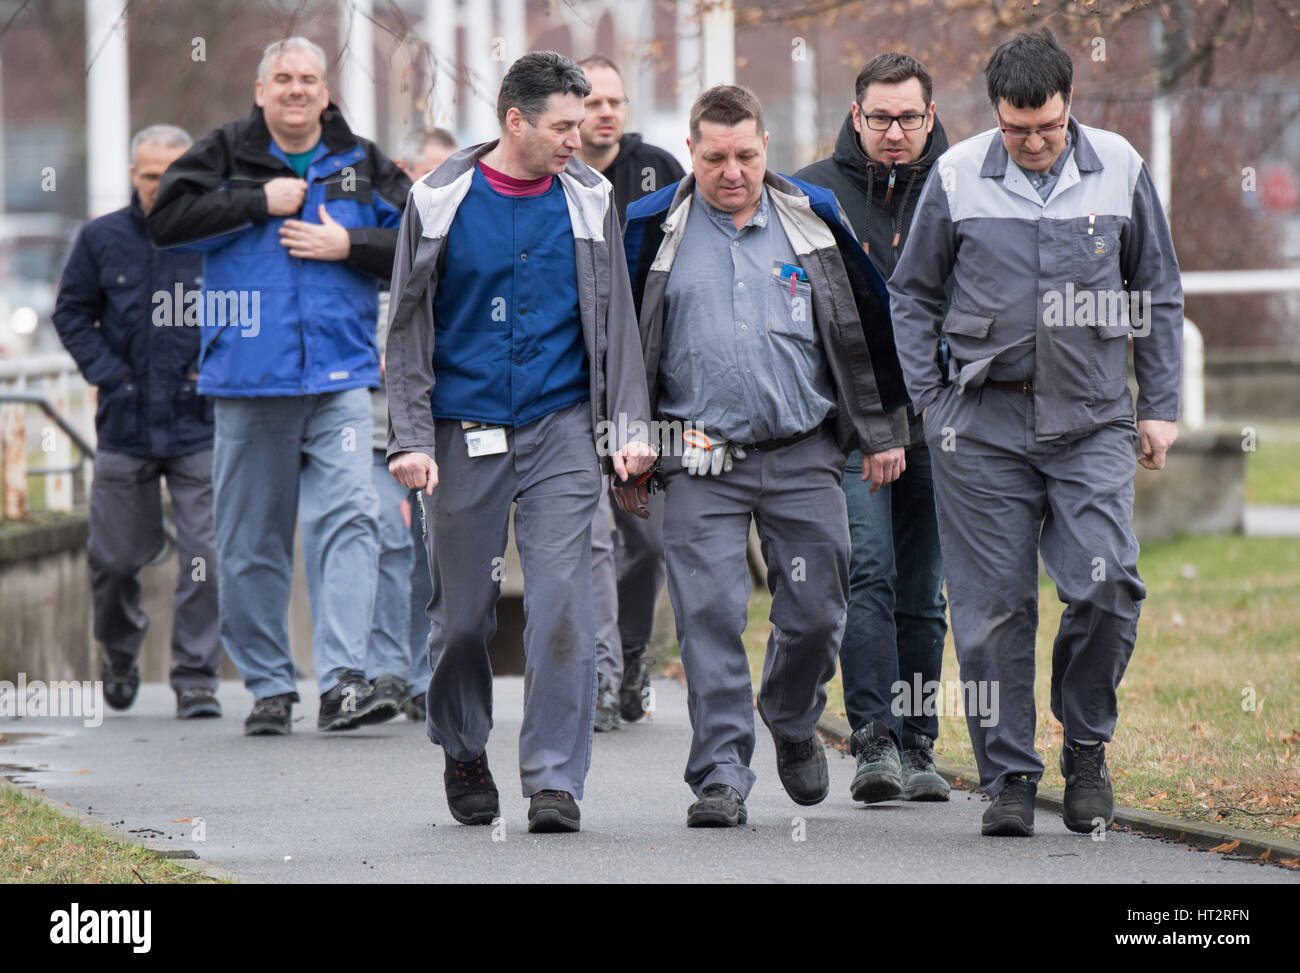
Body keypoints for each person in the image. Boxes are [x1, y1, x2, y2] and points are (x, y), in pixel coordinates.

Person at [889, 29, 1182, 837]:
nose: (1032, 143)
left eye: (1045, 127)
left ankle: (1085, 744)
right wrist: (929, 401)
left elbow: (1154, 285)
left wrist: (1158, 404)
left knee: (1107, 583)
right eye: (1016, 129)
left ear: (1070, 105)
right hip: (979, 425)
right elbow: (910, 295)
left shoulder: (1119, 166)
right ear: (995, 114)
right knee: (990, 610)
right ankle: (1009, 775)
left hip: (1090, 418)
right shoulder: (955, 175)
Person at [618, 85, 911, 828]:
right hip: (697, 457)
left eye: (745, 155)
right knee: (710, 611)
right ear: (691, 152)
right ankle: (720, 771)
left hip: (803, 450)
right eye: (715, 157)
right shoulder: (653, 227)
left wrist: (882, 431)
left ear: (765, 147)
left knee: (816, 611)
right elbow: (617, 345)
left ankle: (789, 710)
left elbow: (868, 319)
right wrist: (626, 443)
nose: (731, 171)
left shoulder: (811, 217)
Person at [384, 52, 654, 834]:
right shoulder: (438, 201)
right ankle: (465, 747)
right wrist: (409, 434)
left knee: (563, 604)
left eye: (584, 123)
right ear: (515, 121)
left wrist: (630, 429)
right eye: (564, 126)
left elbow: (616, 324)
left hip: (561, 424)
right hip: (463, 430)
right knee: (463, 614)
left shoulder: (590, 196)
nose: (582, 137)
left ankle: (554, 779)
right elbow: (405, 327)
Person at [147, 36, 413, 736]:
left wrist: (347, 246)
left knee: (351, 518)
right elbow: (165, 223)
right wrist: (253, 201)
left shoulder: (359, 163)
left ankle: (343, 681)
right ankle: (269, 685)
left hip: (341, 381)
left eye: (310, 79)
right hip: (248, 382)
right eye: (283, 78)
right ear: (261, 91)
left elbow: (421, 246)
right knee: (251, 540)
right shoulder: (224, 153)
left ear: (326, 93)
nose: (297, 89)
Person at [796, 53, 951, 804]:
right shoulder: (809, 192)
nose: (896, 132)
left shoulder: (965, 185)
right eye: (881, 117)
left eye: (910, 118)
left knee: (925, 587)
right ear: (856, 116)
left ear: (931, 113)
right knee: (870, 573)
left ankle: (921, 742)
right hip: (853, 421)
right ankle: (873, 739)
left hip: (939, 417)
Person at [52, 125, 221, 720]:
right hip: (124, 424)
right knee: (114, 560)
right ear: (133, 175)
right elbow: (71, 313)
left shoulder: (215, 236)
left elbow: (245, 313)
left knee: (206, 555)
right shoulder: (100, 239)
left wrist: (216, 368)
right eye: (153, 176)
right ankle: (120, 650)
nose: (165, 186)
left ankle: (196, 676)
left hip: (200, 424)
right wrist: (110, 375)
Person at [575, 54, 685, 732]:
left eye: (615, 100)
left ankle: (633, 655)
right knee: (581, 536)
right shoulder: (555, 175)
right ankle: (589, 671)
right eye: (592, 102)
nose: (606, 112)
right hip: (575, 380)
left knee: (643, 537)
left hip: (645, 381)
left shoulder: (658, 171)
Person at [366, 128, 458, 723]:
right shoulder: (375, 241)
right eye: (431, 176)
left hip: (443, 428)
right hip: (373, 429)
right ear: (404, 172)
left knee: (435, 553)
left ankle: (426, 677)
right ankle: (384, 673)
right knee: (382, 538)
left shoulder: (463, 239)